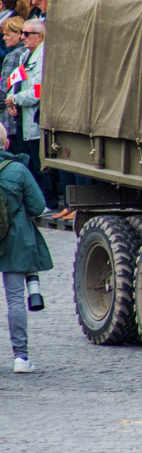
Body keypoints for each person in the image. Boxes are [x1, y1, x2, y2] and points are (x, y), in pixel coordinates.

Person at [0, 120, 52, 373]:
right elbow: (39, 207)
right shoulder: (18, 170)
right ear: (7, 143)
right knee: (15, 300)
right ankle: (20, 358)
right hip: (14, 240)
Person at [4, 18, 47, 204]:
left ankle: (46, 201)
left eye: (27, 34)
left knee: (39, 164)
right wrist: (11, 99)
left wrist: (16, 99)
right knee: (28, 161)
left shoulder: (43, 55)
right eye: (22, 33)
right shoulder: (24, 56)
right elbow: (16, 81)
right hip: (22, 118)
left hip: (35, 118)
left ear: (40, 36)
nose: (23, 37)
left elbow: (38, 91)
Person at [0, 15, 25, 139]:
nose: (4, 38)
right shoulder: (27, 52)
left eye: (7, 34)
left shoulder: (14, 56)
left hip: (9, 119)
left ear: (19, 34)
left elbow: (5, 87)